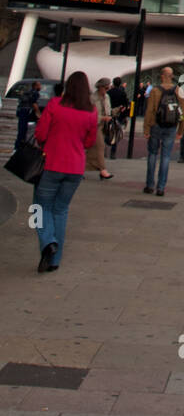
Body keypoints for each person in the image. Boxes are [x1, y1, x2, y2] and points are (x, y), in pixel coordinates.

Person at [32, 71, 98, 273]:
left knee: (39, 208)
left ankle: (48, 242)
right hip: (75, 167)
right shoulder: (92, 111)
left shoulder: (55, 104)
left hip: (52, 163)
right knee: (60, 210)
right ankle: (54, 260)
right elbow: (90, 141)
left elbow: (41, 133)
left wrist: (47, 143)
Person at [143, 66, 184, 197]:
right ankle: (161, 187)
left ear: (162, 76)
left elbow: (150, 111)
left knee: (152, 154)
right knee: (166, 156)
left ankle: (150, 185)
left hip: (156, 125)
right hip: (171, 126)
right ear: (171, 76)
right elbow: (182, 111)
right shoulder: (178, 90)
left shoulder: (155, 90)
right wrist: (181, 129)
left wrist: (146, 128)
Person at [87, 79, 114, 179]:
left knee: (92, 149)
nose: (107, 90)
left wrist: (115, 112)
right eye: (106, 88)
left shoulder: (107, 97)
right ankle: (103, 170)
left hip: (104, 125)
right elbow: (90, 114)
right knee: (100, 146)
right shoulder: (92, 98)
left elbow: (108, 110)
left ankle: (81, 167)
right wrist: (102, 118)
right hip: (95, 125)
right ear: (100, 87)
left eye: (109, 88)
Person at [107, 77, 128, 159]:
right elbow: (125, 105)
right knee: (115, 133)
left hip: (109, 113)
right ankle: (113, 152)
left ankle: (104, 150)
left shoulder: (109, 92)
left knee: (106, 130)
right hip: (118, 114)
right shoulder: (122, 93)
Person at [15, 80, 40, 149]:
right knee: (25, 130)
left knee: (21, 129)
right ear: (35, 86)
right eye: (39, 85)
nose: (40, 87)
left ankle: (18, 145)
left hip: (21, 111)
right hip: (27, 111)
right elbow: (34, 103)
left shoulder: (27, 92)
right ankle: (22, 145)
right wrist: (38, 113)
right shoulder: (35, 93)